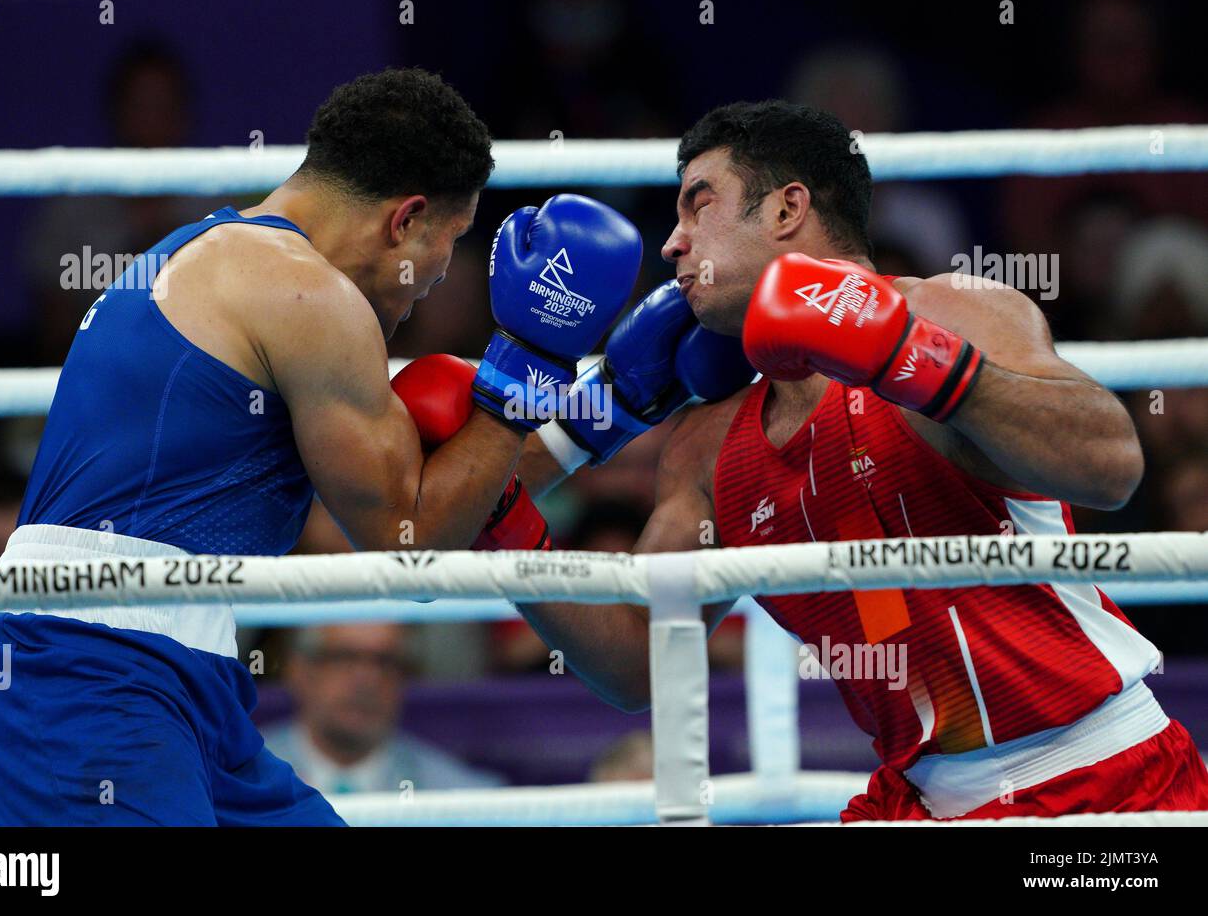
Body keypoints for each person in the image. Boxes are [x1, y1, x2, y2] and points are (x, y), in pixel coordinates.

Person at [0, 67, 643, 826]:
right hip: (85, 673)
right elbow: (409, 546)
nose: (425, 296)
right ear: (404, 219)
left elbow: (447, 503)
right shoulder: (303, 294)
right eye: (439, 258)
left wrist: (611, 404)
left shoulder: (221, 260)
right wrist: (531, 366)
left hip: (172, 677)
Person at [511, 99, 1208, 821]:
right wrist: (505, 519)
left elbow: (1112, 465)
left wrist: (916, 361)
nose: (673, 244)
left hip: (1103, 783)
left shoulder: (951, 313)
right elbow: (634, 658)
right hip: (919, 799)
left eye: (699, 207)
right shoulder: (706, 446)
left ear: (787, 210)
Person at [261, 624, 503, 794]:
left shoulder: (464, 798)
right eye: (345, 657)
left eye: (385, 662)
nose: (366, 680)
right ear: (299, 670)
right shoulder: (231, 781)